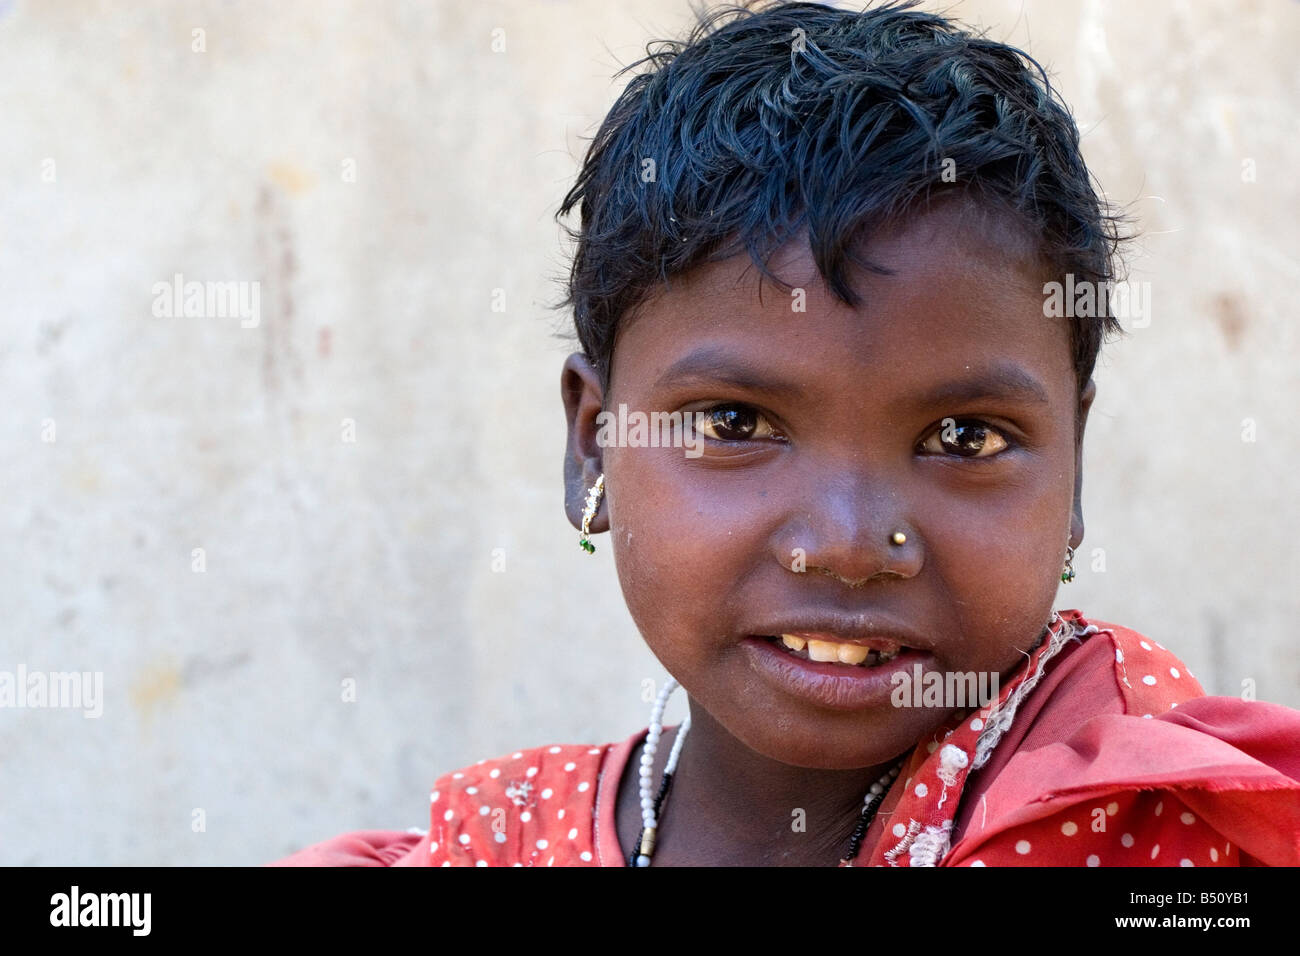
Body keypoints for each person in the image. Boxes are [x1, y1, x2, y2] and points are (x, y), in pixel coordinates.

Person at [271, 0, 1300, 867]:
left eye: (963, 436)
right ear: (593, 443)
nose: (849, 540)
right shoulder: (490, 850)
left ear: (1071, 472)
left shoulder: (1179, 824)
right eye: (735, 422)